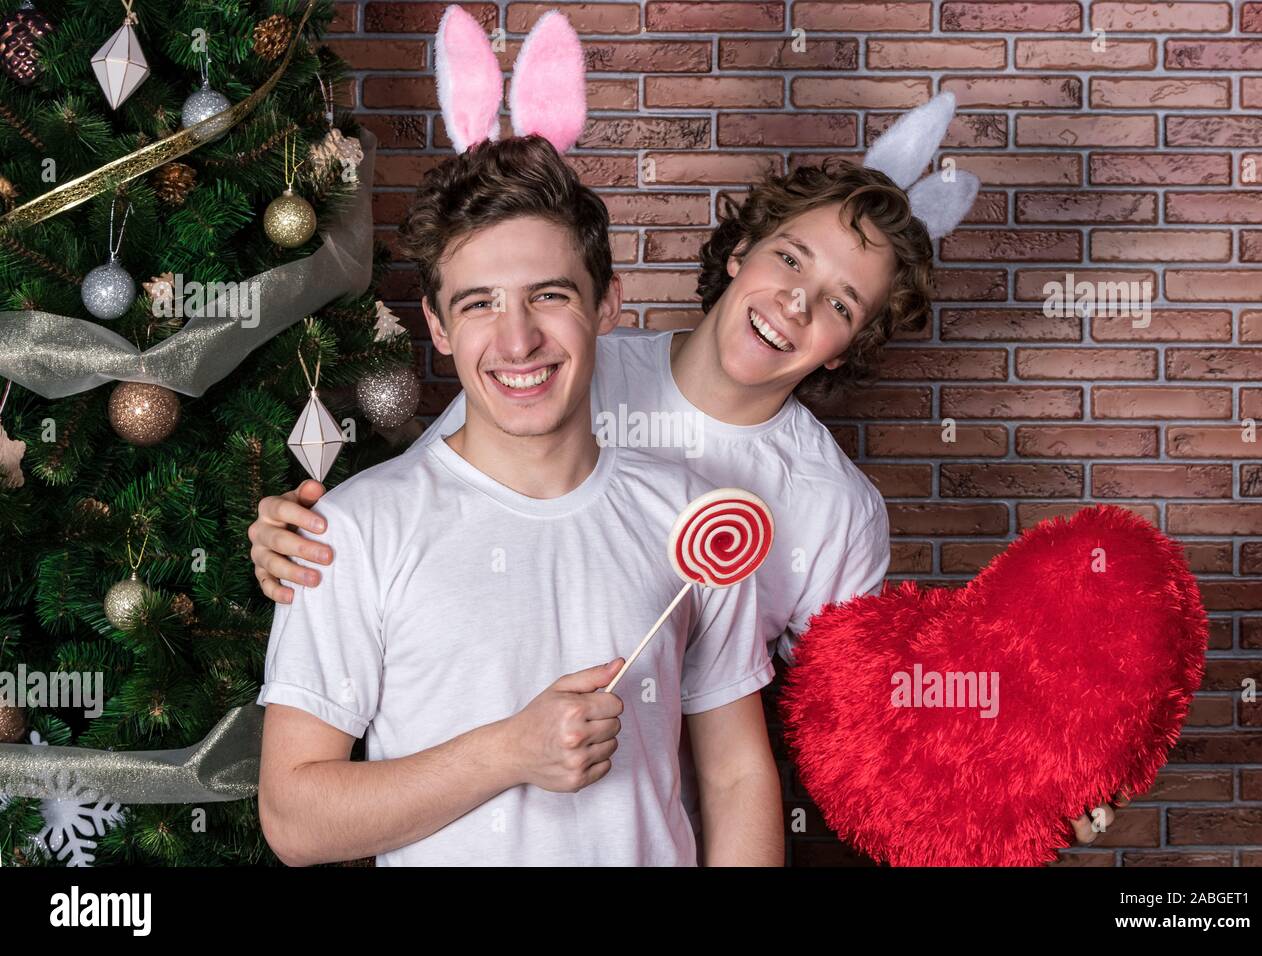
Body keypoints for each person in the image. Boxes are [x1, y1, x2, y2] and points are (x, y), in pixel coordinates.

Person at [252, 142, 1125, 849]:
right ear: (741, 252)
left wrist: (1032, 772)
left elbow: (853, 724)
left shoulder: (819, 507)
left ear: (847, 346)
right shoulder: (565, 369)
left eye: (838, 304)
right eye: (789, 258)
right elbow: (436, 498)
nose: (793, 302)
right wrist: (292, 535)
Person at [257, 134, 783, 866]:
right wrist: (508, 752)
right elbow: (294, 821)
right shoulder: (353, 530)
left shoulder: (696, 520)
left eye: (550, 295)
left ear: (606, 304)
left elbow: (735, 776)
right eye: (480, 304)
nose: (518, 339)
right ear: (438, 327)